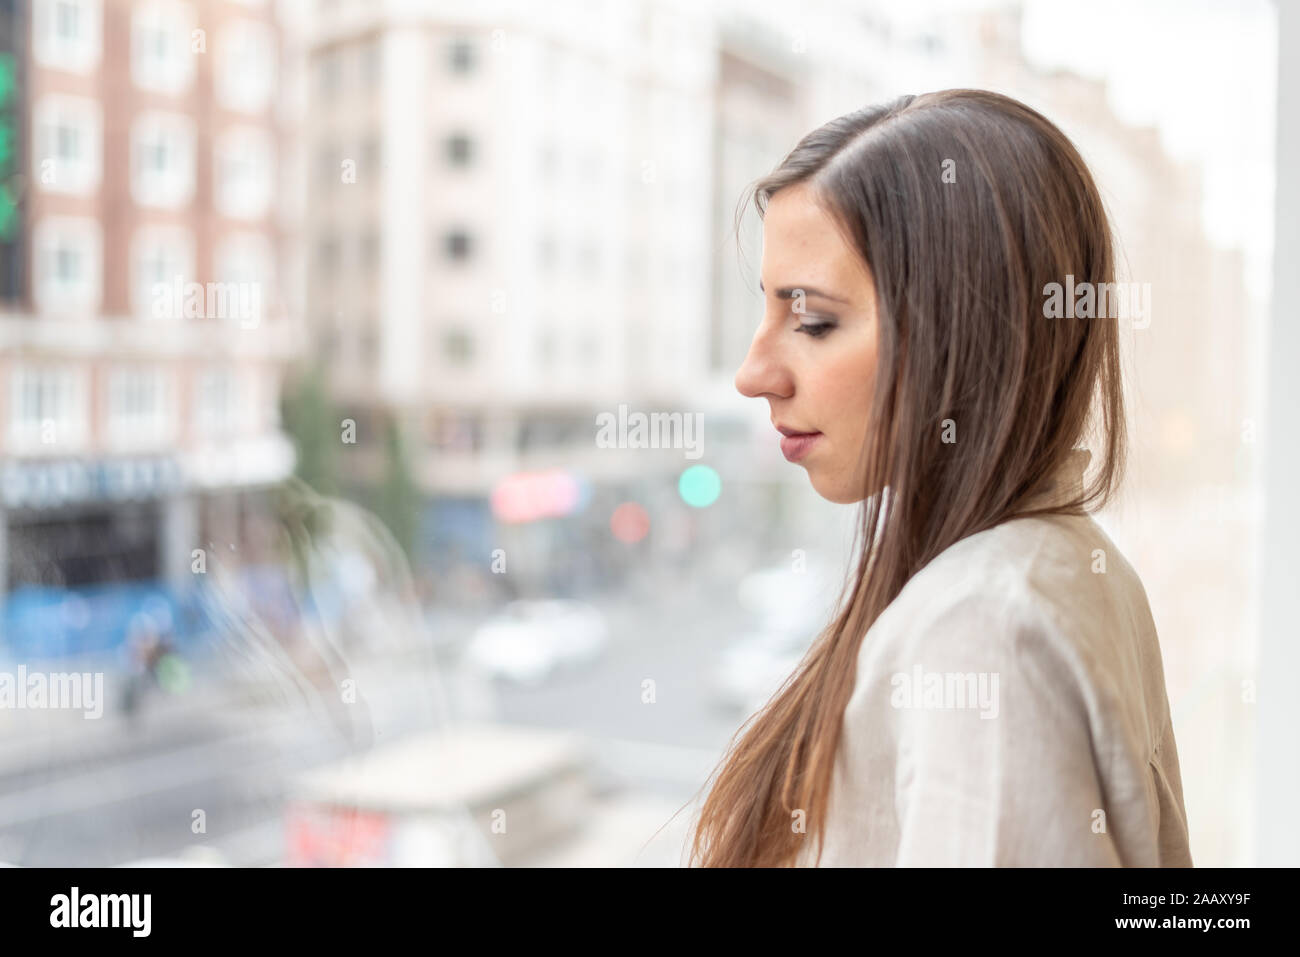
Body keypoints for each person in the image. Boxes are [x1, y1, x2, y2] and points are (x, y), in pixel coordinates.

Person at [688, 90, 1192, 867]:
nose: (754, 374)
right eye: (766, 310)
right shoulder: (1055, 569)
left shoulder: (986, 624)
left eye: (813, 320)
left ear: (965, 331)